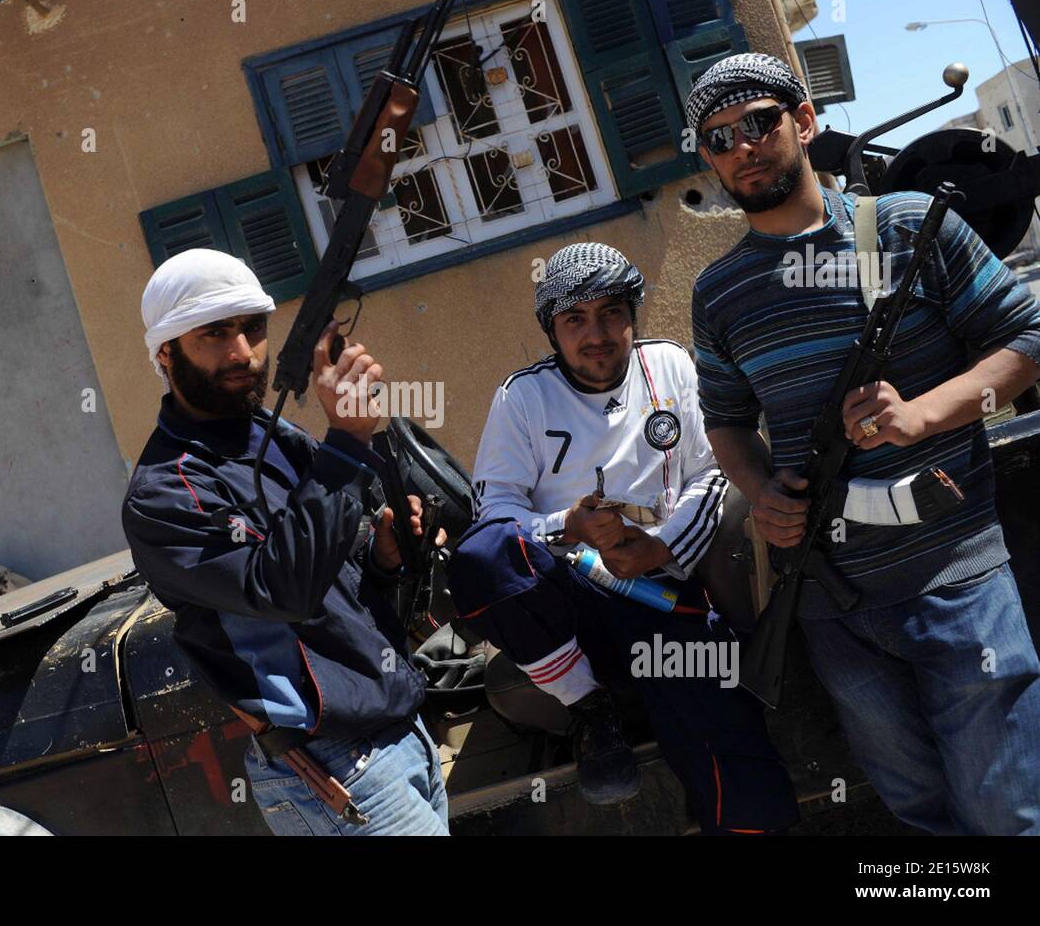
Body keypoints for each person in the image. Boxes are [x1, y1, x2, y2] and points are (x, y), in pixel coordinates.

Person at [687, 51, 1040, 834]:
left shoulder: (912, 225)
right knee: (918, 812)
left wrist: (923, 415)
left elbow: (1029, 337)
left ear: (804, 121)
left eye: (757, 122)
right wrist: (759, 492)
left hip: (957, 582)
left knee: (1008, 812)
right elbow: (726, 421)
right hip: (831, 603)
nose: (740, 146)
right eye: (717, 138)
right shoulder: (719, 294)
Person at [447, 241, 798, 834]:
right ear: (552, 331)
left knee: (724, 733)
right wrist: (570, 526)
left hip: (660, 592)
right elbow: (494, 515)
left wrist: (660, 548)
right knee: (480, 558)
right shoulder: (522, 397)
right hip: (571, 598)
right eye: (575, 320)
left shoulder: (671, 366)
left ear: (633, 312)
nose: (597, 334)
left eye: (611, 312)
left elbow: (711, 470)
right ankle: (589, 709)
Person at [121, 248, 449, 836]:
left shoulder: (273, 437)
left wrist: (382, 554)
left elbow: (332, 581)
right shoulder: (166, 491)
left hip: (400, 730)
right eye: (215, 334)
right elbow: (280, 590)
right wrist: (347, 441)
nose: (243, 352)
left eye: (252, 328)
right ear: (166, 353)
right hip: (335, 768)